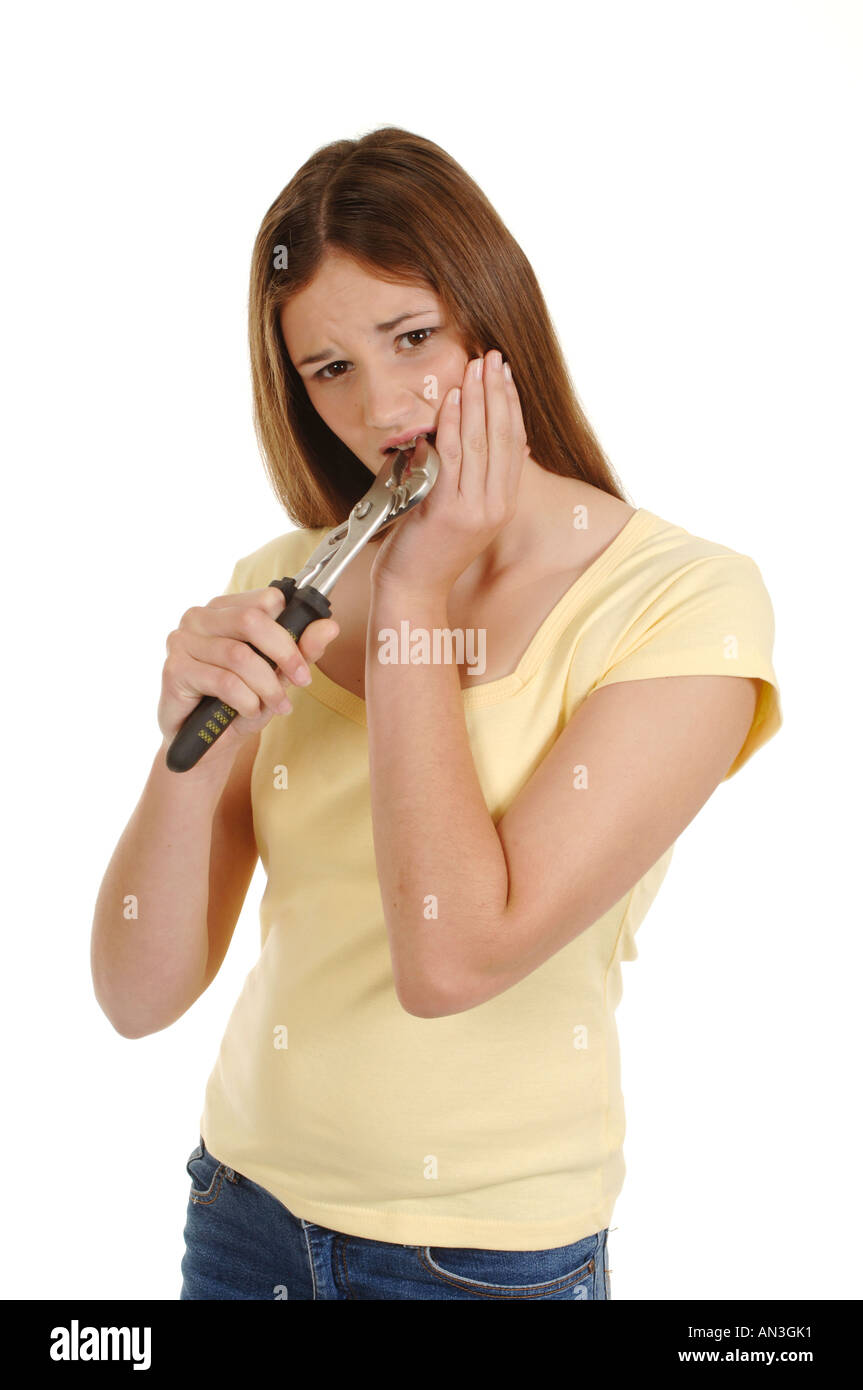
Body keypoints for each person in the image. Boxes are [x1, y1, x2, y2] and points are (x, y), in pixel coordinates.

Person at [91, 127, 782, 1301]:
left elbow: (451, 955)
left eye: (412, 337)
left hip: (479, 1265)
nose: (386, 402)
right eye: (329, 369)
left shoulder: (680, 602)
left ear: (490, 313)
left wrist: (412, 589)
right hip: (242, 1218)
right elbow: (135, 995)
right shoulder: (287, 580)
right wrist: (185, 755)